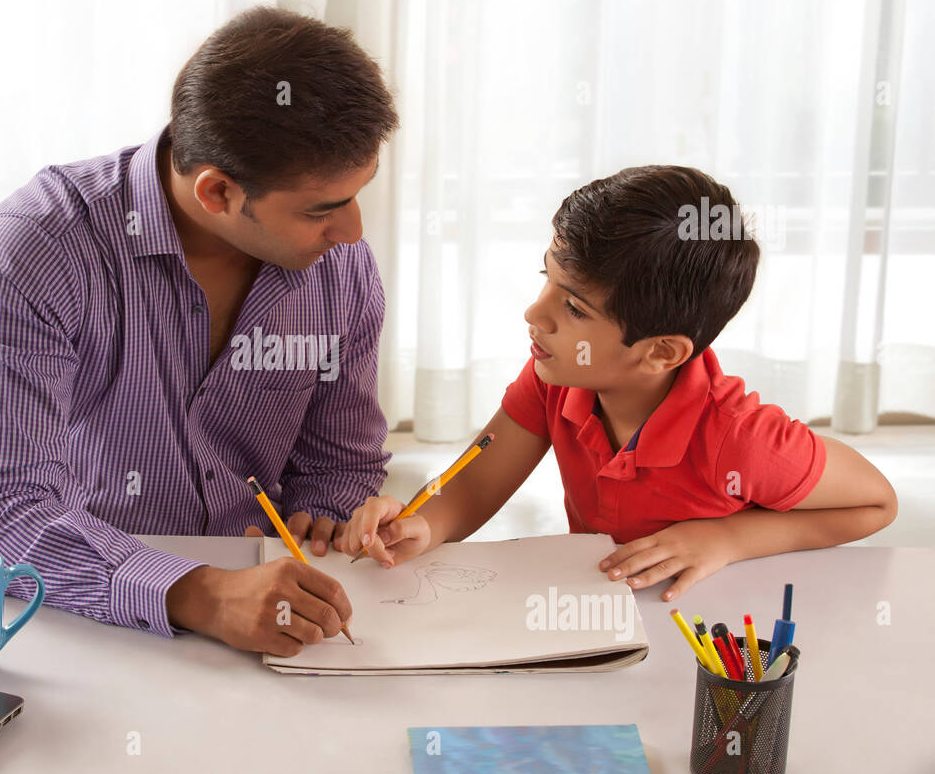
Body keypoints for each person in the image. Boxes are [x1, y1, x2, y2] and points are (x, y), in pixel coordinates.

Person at [0, 7, 398, 656]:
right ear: (216, 193)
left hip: (279, 626)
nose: (353, 232)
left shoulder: (337, 266)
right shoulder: (35, 251)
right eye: (321, 209)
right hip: (84, 620)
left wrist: (330, 516)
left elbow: (339, 463)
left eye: (358, 195)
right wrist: (200, 593)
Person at [339, 166, 898, 600]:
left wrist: (728, 539)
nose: (536, 314)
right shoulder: (554, 377)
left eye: (574, 308)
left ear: (660, 352)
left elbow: (876, 503)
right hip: (600, 618)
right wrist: (420, 525)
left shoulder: (741, 438)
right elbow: (475, 487)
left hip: (705, 632)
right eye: (547, 281)